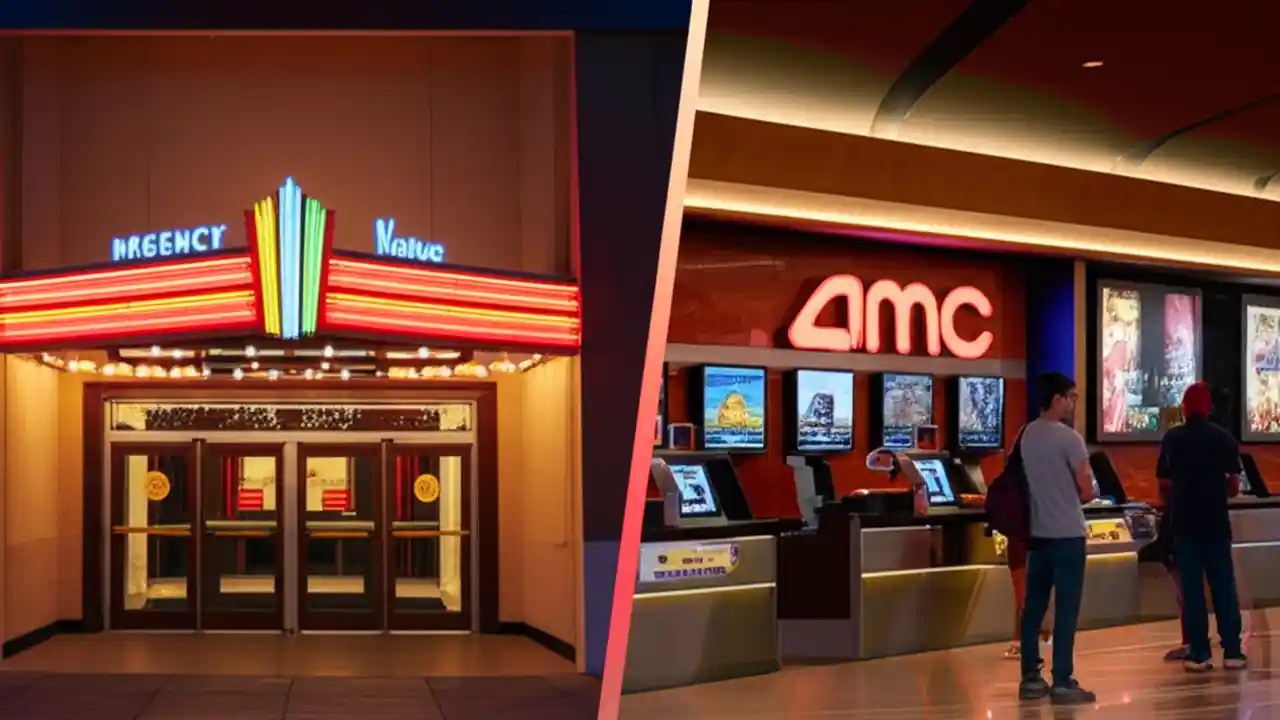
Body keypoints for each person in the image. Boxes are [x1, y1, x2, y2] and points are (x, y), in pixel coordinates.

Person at [1156, 381, 1247, 672]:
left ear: (1185, 407)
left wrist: (1178, 497)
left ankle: (1199, 653)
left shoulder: (1172, 439)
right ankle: (1232, 651)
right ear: (1209, 407)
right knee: (1223, 587)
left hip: (1184, 523)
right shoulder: (1224, 438)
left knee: (1193, 591)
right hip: (1215, 522)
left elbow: (1163, 484)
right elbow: (1234, 484)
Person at [1018, 372, 1096, 705]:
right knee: (1066, 610)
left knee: (1033, 609)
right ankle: (1063, 679)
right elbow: (1087, 489)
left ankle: (1030, 678)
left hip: (1038, 534)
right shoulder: (1070, 439)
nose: (1073, 402)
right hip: (1067, 534)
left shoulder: (1027, 435)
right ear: (1057, 399)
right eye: (1071, 396)